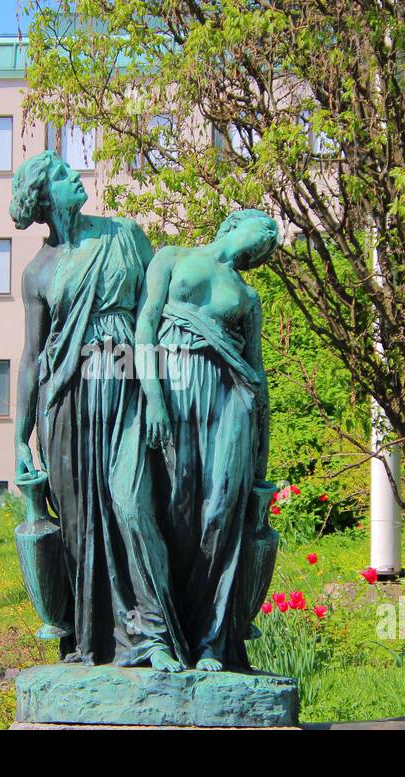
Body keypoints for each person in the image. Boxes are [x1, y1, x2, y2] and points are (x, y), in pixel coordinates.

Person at [11, 150, 189, 672]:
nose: (76, 177)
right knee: (81, 523)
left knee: (132, 506)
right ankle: (93, 642)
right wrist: (20, 436)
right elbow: (30, 356)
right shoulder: (38, 272)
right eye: (65, 176)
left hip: (129, 387)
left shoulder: (125, 235)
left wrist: (160, 392)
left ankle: (156, 636)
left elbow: (160, 311)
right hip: (67, 405)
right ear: (46, 198)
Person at [135, 209, 280, 671]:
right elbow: (144, 327)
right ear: (235, 223)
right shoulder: (173, 256)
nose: (264, 245)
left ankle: (213, 641)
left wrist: (262, 450)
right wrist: (153, 395)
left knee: (222, 510)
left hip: (228, 398)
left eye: (268, 247)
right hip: (174, 386)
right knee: (174, 507)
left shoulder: (247, 295)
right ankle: (167, 632)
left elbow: (256, 374)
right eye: (263, 233)